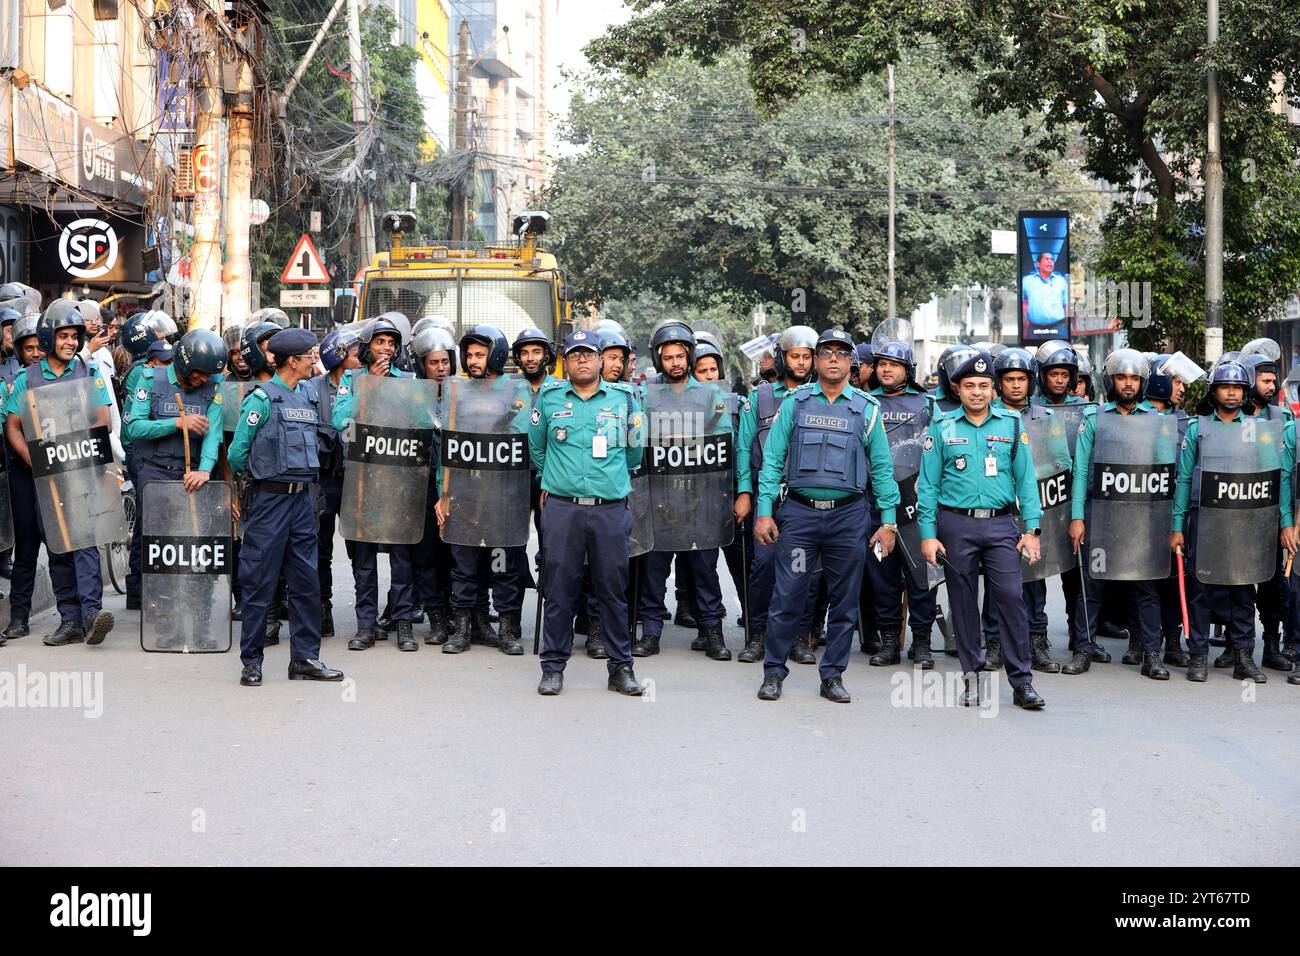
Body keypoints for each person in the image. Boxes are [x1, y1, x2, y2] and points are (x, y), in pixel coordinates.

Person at [753, 329, 900, 703]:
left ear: (852, 362)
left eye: (841, 353)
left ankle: (832, 675)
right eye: (826, 352)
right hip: (800, 519)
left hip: (847, 520)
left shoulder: (867, 409)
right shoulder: (796, 403)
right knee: (788, 594)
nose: (833, 359)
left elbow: (882, 468)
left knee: (844, 600)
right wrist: (765, 511)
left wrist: (888, 521)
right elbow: (772, 460)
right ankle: (774, 672)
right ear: (816, 360)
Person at [917, 349, 1047, 710]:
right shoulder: (942, 427)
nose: (977, 392)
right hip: (955, 525)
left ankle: (1022, 682)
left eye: (984, 385)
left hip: (1002, 524)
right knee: (963, 604)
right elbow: (927, 486)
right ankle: (972, 679)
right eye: (970, 385)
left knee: (1011, 599)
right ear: (957, 389)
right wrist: (927, 534)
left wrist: (1031, 531)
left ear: (994, 389)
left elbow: (1026, 481)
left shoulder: (1011, 425)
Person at [227, 328, 344, 687]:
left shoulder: (310, 395)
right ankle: (252, 661)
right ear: (292, 361)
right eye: (310, 356)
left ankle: (305, 658)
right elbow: (236, 454)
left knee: (306, 582)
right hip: (270, 502)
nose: (314, 361)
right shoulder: (261, 400)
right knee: (259, 581)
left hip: (303, 502)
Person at [530, 330, 645, 696]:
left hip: (609, 510)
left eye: (588, 354)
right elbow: (537, 448)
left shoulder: (624, 400)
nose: (582, 359)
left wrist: (604, 481)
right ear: (566, 361)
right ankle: (552, 667)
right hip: (562, 510)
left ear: (600, 360)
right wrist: (555, 478)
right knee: (559, 589)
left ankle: (620, 668)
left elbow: (634, 454)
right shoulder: (549, 398)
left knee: (612, 591)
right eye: (575, 354)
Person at [1171, 361, 1295, 683]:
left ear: (1244, 393)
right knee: (1202, 589)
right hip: (1205, 517)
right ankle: (1198, 655)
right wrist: (1176, 527)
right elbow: (1184, 480)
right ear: (1214, 392)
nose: (1231, 392)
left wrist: (1280, 521)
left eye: (1238, 388)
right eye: (1225, 387)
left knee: (1243, 590)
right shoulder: (1199, 429)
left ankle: (1243, 657)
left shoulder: (1258, 430)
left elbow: (1274, 478)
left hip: (1246, 520)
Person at [3, 300, 117, 647]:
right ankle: (69, 618)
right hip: (46, 478)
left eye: (75, 336)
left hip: (80, 473)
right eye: (64, 336)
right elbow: (14, 427)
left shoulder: (89, 372)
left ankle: (92, 615)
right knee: (58, 547)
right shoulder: (28, 378)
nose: (70, 342)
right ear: (49, 337)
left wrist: (84, 453)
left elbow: (102, 418)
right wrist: (34, 460)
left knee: (85, 542)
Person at [1064, 350, 1170, 680]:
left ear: (1143, 382)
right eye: (1122, 377)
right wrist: (1078, 517)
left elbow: (1166, 474)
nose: (1128, 383)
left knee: (1146, 587)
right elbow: (1080, 471)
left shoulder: (1156, 421)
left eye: (1135, 378)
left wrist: (1165, 523)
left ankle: (1152, 653)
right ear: (1112, 380)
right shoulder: (1095, 420)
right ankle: (1084, 648)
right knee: (1091, 586)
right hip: (1101, 513)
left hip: (1143, 517)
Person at [633, 320, 732, 660]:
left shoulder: (710, 394)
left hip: (700, 496)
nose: (675, 362)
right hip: (658, 497)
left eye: (680, 356)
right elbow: (634, 442)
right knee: (654, 571)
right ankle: (650, 633)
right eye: (668, 357)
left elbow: (723, 440)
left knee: (704, 568)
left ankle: (712, 632)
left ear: (689, 356)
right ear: (658, 359)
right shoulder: (644, 394)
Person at [436, 325, 531, 656]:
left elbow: (519, 434)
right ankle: (464, 628)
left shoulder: (517, 391)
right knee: (464, 565)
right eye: (470, 354)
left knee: (503, 565)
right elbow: (447, 448)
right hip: (464, 494)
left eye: (480, 354)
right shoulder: (457, 391)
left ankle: (507, 629)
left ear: (497, 354)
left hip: (503, 496)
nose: (473, 360)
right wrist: (443, 494)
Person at [330, 313, 421, 652]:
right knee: (363, 559)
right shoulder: (351, 380)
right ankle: (366, 626)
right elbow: (339, 419)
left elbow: (417, 421)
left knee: (401, 557)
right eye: (379, 342)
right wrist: (368, 385)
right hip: (361, 481)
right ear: (366, 347)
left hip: (397, 482)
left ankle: (403, 623)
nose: (385, 348)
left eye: (391, 343)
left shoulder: (408, 381)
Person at [865, 337, 940, 668]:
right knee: (882, 577)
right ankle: (888, 642)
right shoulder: (865, 402)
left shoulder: (928, 405)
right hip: (877, 505)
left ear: (907, 370)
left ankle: (921, 643)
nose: (886, 369)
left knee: (922, 577)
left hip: (918, 506)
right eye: (881, 363)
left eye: (893, 364)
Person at [304, 325, 363, 642]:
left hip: (356, 478)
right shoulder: (313, 388)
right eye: (355, 354)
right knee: (320, 548)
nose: (360, 358)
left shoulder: (365, 384)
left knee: (360, 548)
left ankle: (365, 618)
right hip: (324, 480)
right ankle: (322, 607)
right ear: (338, 357)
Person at [1241, 352, 1297, 672]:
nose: (1272, 386)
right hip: (1241, 513)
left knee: (1274, 586)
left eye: (1274, 380)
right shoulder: (1236, 417)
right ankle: (1240, 648)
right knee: (1239, 584)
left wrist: (1285, 520)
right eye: (1265, 380)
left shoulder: (1282, 418)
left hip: (1272, 514)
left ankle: (1271, 647)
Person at [408, 325, 457, 644]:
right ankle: (437, 618)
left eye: (445, 362)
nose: (440, 369)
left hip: (456, 488)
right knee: (426, 556)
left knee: (456, 555)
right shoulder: (410, 399)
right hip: (421, 489)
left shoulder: (463, 395)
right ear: (420, 365)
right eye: (433, 362)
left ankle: (460, 615)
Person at [1, 314, 45, 640]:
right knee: (27, 545)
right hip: (24, 469)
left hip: (59, 468)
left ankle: (75, 615)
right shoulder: (15, 382)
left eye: (39, 346)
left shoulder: (65, 376)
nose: (36, 353)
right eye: (29, 348)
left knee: (64, 547)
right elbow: (9, 425)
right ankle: (19, 617)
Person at [1021, 251, 1068, 329]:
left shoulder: (1061, 281)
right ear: (1038, 264)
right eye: (1047, 259)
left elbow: (1066, 304)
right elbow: (1021, 302)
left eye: (1052, 259)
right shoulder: (1027, 281)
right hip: (1034, 329)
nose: (1050, 261)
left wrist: (1067, 325)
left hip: (1058, 328)